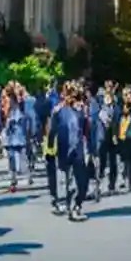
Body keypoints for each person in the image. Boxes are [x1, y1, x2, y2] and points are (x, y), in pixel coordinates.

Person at [53, 82, 89, 221]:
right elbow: (84, 130)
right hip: (73, 148)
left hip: (67, 147)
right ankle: (73, 207)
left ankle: (71, 206)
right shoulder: (74, 110)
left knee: (70, 179)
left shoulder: (60, 109)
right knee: (76, 179)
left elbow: (52, 130)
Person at [0, 85, 29, 193]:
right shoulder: (10, 104)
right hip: (12, 134)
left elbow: (15, 117)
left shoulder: (15, 104)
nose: (3, 99)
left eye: (4, 96)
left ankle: (19, 177)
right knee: (13, 156)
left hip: (15, 133)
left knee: (17, 156)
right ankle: (15, 178)